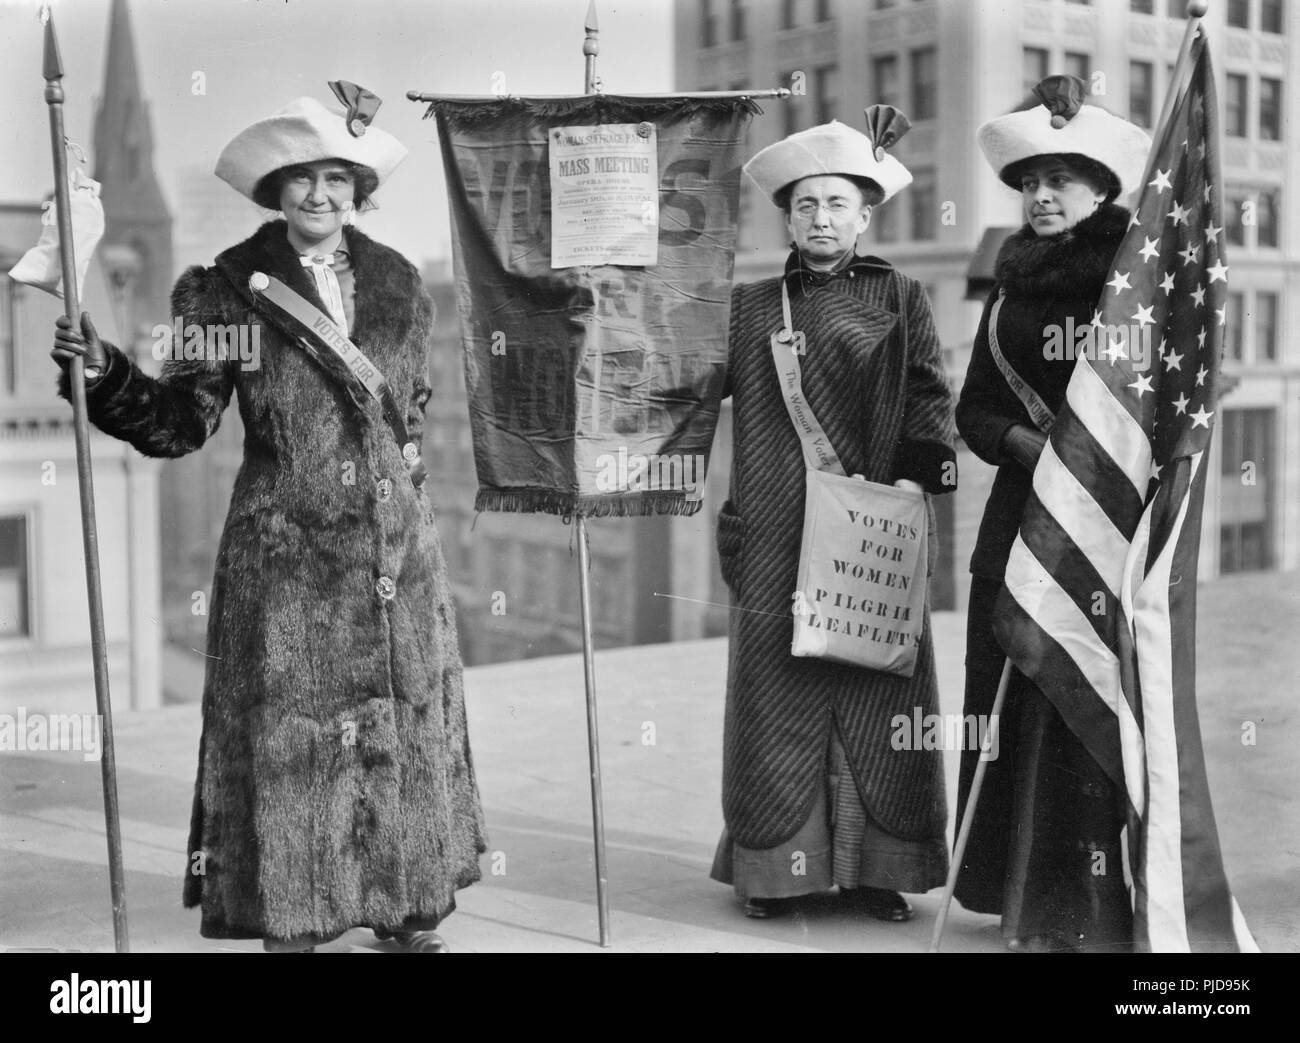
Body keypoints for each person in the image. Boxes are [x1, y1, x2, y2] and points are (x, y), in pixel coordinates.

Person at [51, 85, 486, 953]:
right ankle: (293, 910)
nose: (320, 195)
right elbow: (181, 419)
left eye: (337, 177)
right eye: (301, 178)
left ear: (359, 187)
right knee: (293, 739)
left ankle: (404, 905)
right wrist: (102, 370)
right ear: (273, 188)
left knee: (403, 721)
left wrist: (408, 496)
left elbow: (413, 405)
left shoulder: (402, 280)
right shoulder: (226, 291)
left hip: (396, 552)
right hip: (286, 553)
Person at [711, 110, 958, 922]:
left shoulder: (900, 294)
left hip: (872, 532)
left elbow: (929, 395)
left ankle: (877, 870)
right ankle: (778, 873)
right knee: (778, 697)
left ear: (865, 214)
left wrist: (920, 483)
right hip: (777, 531)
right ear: (786, 217)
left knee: (877, 696)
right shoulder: (748, 308)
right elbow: (678, 387)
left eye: (837, 204)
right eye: (806, 205)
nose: (821, 219)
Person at [953, 75, 1152, 952]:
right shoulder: (1008, 283)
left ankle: (1080, 902)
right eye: (1030, 181)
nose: (1040, 196)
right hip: (1015, 518)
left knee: (1073, 703)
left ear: (1102, 191)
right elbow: (972, 411)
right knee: (1009, 701)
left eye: (1060, 181)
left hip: (1098, 527)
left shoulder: (1130, 286)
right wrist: (1017, 444)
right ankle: (1016, 894)